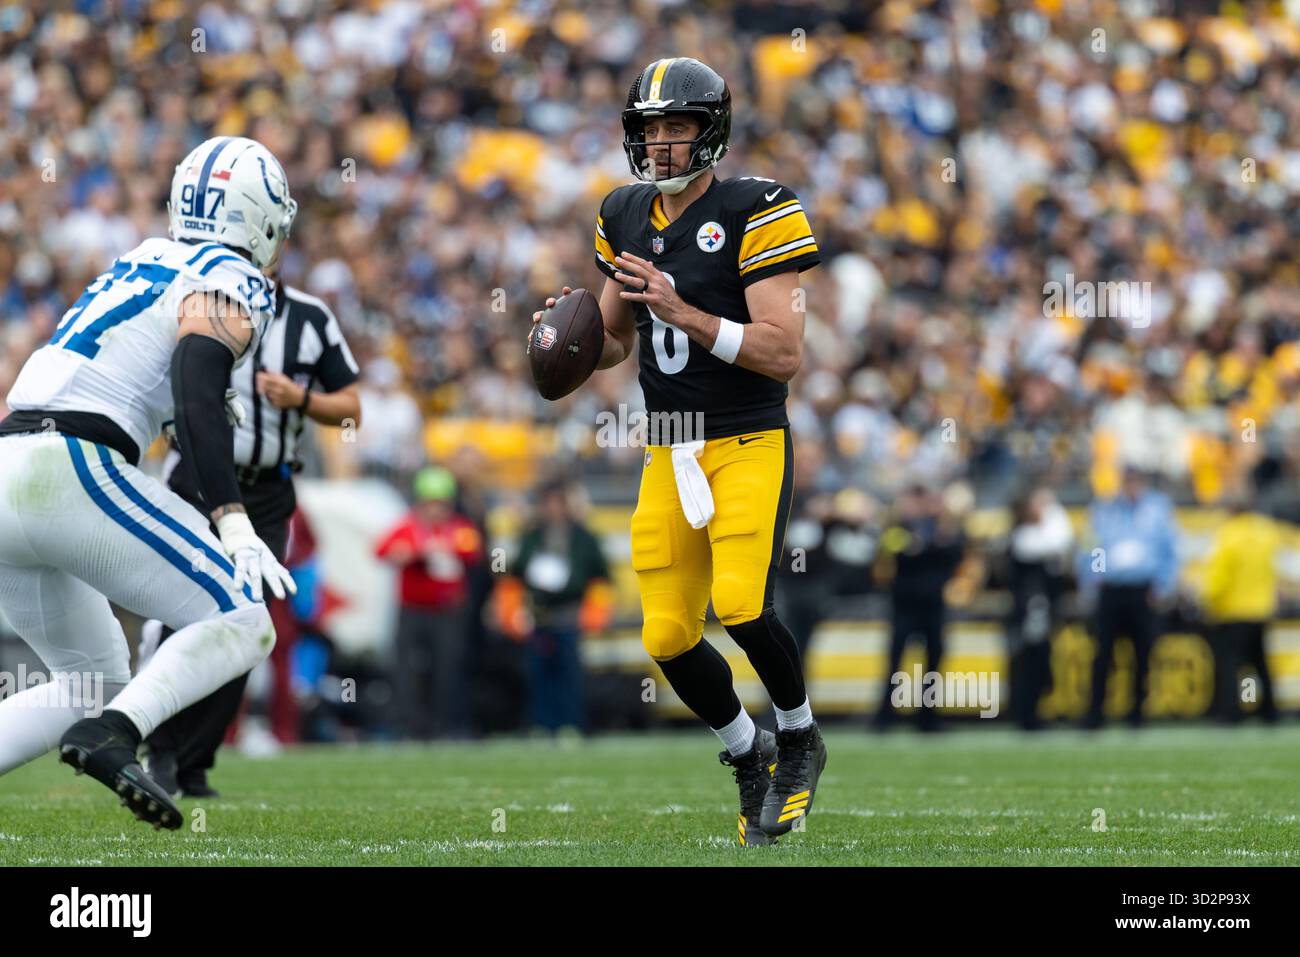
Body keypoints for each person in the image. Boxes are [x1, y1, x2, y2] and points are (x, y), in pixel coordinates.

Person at [531, 57, 823, 845]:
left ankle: (798, 735)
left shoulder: (761, 207)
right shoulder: (623, 214)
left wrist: (683, 309)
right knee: (664, 634)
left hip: (748, 437)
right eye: (650, 129)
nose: (661, 143)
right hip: (668, 447)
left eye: (677, 127)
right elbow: (616, 343)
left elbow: (782, 350)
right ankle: (746, 749)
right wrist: (563, 341)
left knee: (743, 603)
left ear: (711, 129)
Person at [0, 136, 297, 828]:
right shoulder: (232, 274)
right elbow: (196, 382)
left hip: (10, 463)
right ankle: (114, 733)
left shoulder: (142, 259)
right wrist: (234, 519)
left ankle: (108, 717)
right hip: (69, 465)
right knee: (243, 615)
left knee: (92, 680)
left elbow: (187, 405)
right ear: (256, 219)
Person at [142, 276, 361, 797]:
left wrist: (301, 398)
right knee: (188, 613)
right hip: (197, 481)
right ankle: (162, 749)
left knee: (246, 624)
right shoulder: (201, 300)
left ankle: (196, 760)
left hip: (266, 492)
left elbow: (351, 407)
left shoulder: (311, 318)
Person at [375, 466, 483, 739]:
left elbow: (473, 550)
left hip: (447, 611)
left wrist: (441, 550)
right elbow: (382, 550)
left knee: (447, 668)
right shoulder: (408, 527)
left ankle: (447, 726)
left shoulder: (459, 528)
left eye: (440, 504)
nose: (435, 511)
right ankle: (408, 727)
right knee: (406, 669)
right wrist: (411, 553)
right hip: (412, 610)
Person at [506, 479, 612, 736]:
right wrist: (512, 613)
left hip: (569, 613)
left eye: (558, 503)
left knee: (569, 675)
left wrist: (594, 613)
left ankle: (570, 724)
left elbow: (600, 576)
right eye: (548, 504)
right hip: (538, 614)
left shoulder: (583, 538)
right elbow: (515, 575)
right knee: (539, 675)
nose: (553, 509)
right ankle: (542, 725)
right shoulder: (531, 537)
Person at [1078, 466, 1180, 729]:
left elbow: (1169, 549)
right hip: (1111, 589)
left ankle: (1137, 713)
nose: (1131, 486)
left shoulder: (1158, 509)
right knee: (1103, 654)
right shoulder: (1105, 509)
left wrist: (1162, 585)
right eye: (1127, 481)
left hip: (1142, 591)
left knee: (1143, 653)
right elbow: (1092, 547)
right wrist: (1094, 578)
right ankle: (1095, 714)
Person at [874, 484, 966, 731]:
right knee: (896, 660)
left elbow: (953, 552)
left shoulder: (943, 528)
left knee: (933, 661)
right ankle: (885, 716)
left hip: (933, 605)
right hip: (904, 604)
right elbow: (896, 550)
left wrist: (926, 544)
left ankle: (928, 718)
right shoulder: (897, 529)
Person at [1201, 496, 1280, 724]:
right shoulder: (1266, 534)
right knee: (1259, 664)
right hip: (1261, 608)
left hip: (1233, 609)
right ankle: (1268, 711)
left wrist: (1207, 599)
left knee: (1231, 665)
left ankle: (1232, 711)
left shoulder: (1228, 535)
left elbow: (1219, 575)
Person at [1004, 486, 1074, 731]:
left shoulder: (1028, 534)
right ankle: (1026, 715)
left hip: (1038, 608)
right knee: (1030, 661)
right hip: (1030, 610)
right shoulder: (1023, 537)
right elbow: (1059, 542)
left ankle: (1031, 712)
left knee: (1039, 660)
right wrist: (1052, 507)